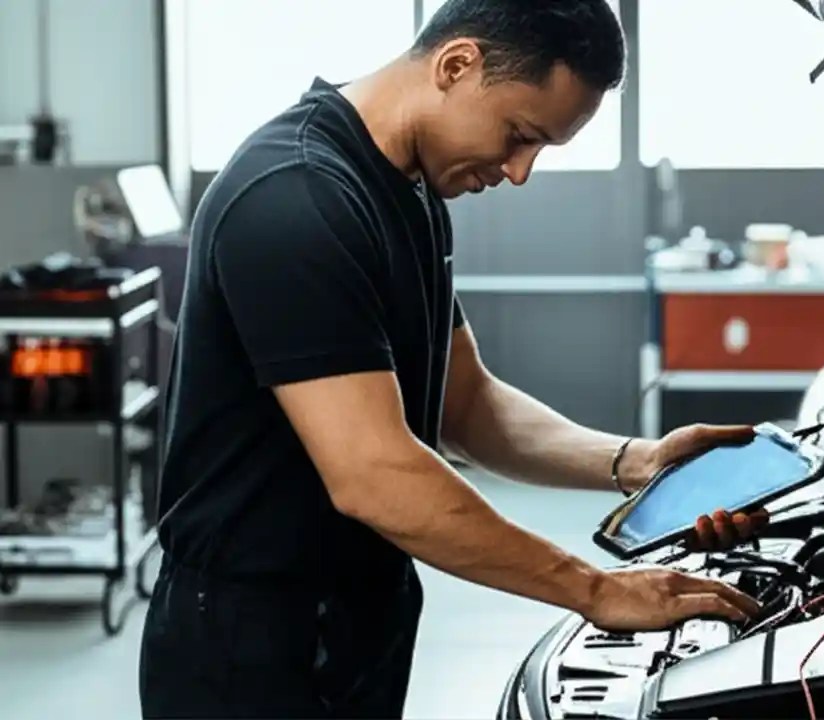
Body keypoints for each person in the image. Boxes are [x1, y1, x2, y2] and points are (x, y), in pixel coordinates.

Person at [138, 1, 769, 717]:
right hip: (251, 636)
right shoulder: (296, 199)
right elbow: (373, 475)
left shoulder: (408, 191)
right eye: (519, 134)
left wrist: (632, 461)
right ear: (456, 65)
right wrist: (596, 589)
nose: (521, 171)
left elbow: (468, 404)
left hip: (357, 610)